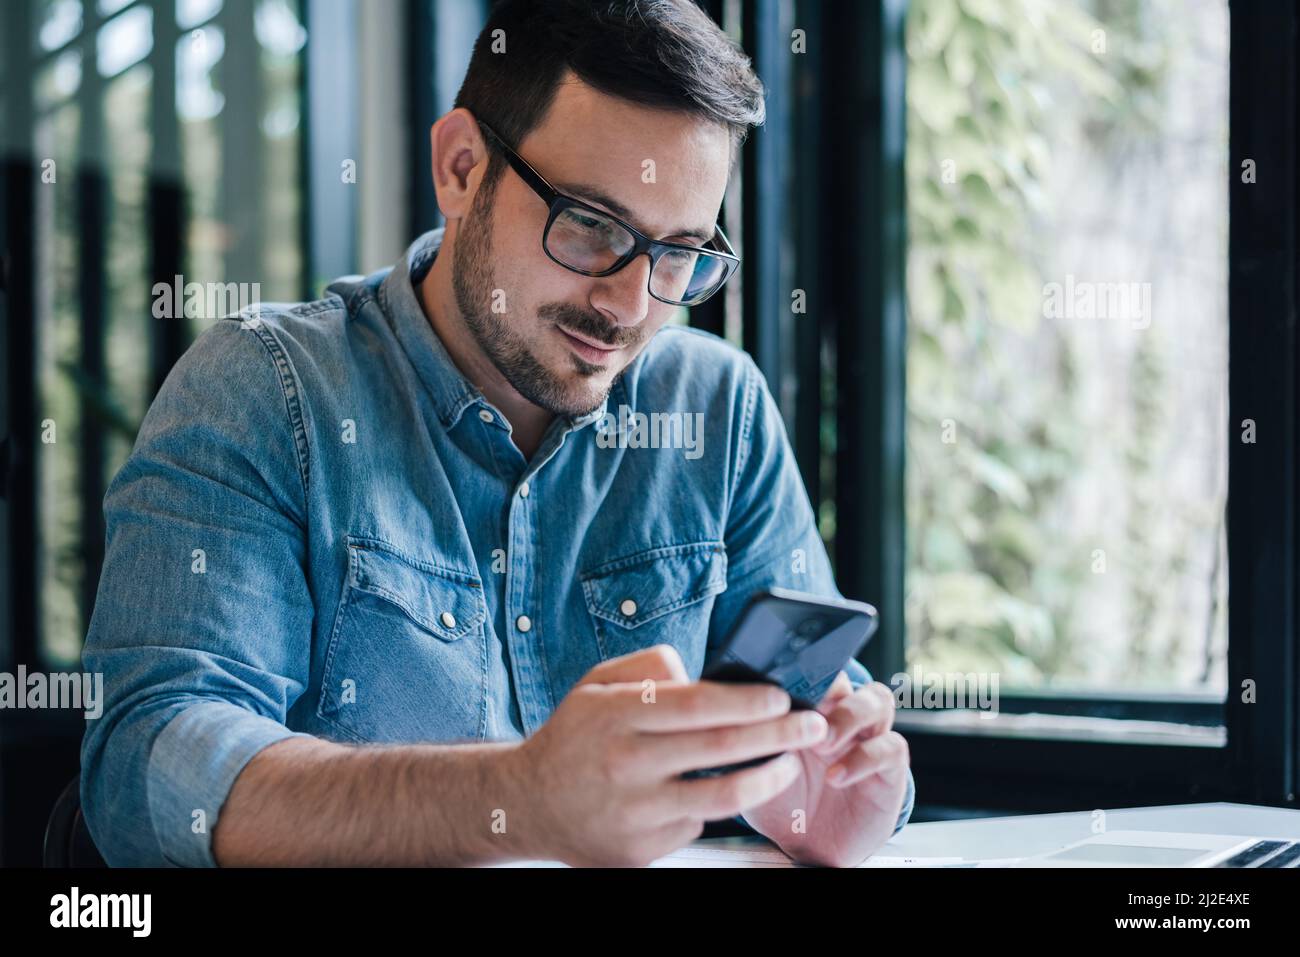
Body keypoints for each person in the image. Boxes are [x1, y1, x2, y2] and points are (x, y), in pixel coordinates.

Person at [80, 0, 913, 868]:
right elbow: (146, 770)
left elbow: (822, 727)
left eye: (679, 254)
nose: (630, 306)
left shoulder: (717, 411)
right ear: (461, 167)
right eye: (592, 225)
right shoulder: (265, 389)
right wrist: (517, 797)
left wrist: (816, 805)